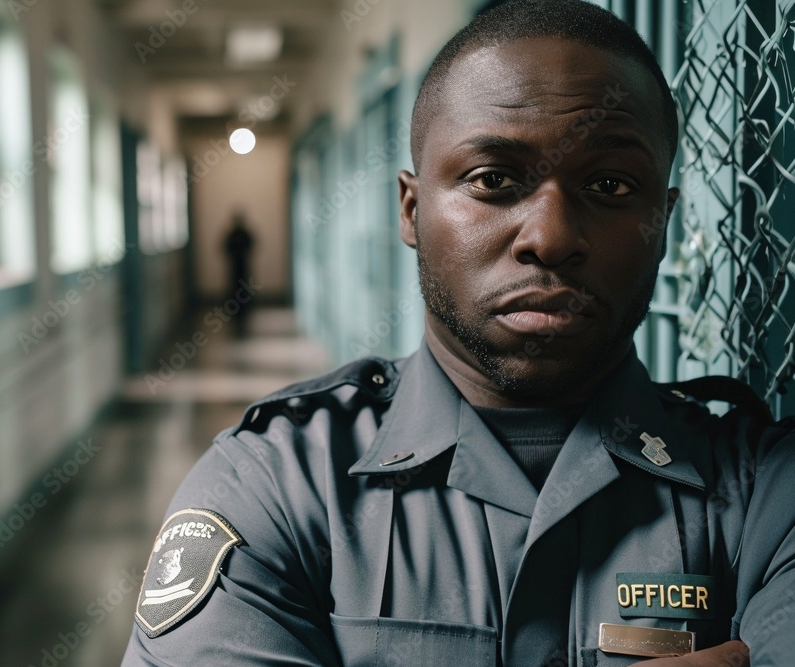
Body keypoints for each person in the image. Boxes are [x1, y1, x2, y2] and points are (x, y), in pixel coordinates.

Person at [122, 1, 795, 665]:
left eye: (611, 184)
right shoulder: (275, 482)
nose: (550, 236)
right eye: (493, 179)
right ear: (412, 211)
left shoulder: (767, 490)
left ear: (664, 220)